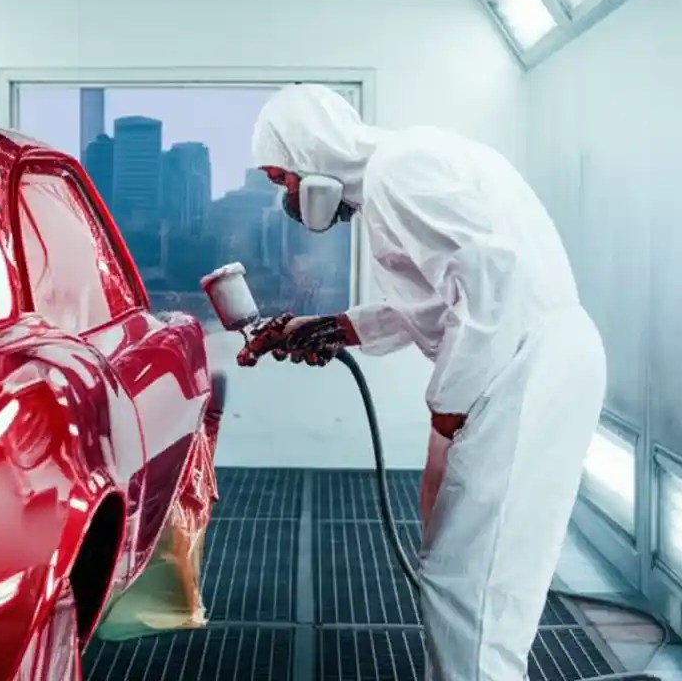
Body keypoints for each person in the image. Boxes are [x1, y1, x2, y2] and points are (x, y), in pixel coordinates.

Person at [245, 83, 607, 681]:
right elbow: (446, 299)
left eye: (282, 177)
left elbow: (493, 282)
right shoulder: (396, 174)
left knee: (472, 584)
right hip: (526, 360)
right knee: (476, 574)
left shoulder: (398, 171)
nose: (286, 196)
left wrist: (448, 415)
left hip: (524, 366)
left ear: (310, 152)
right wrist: (338, 327)